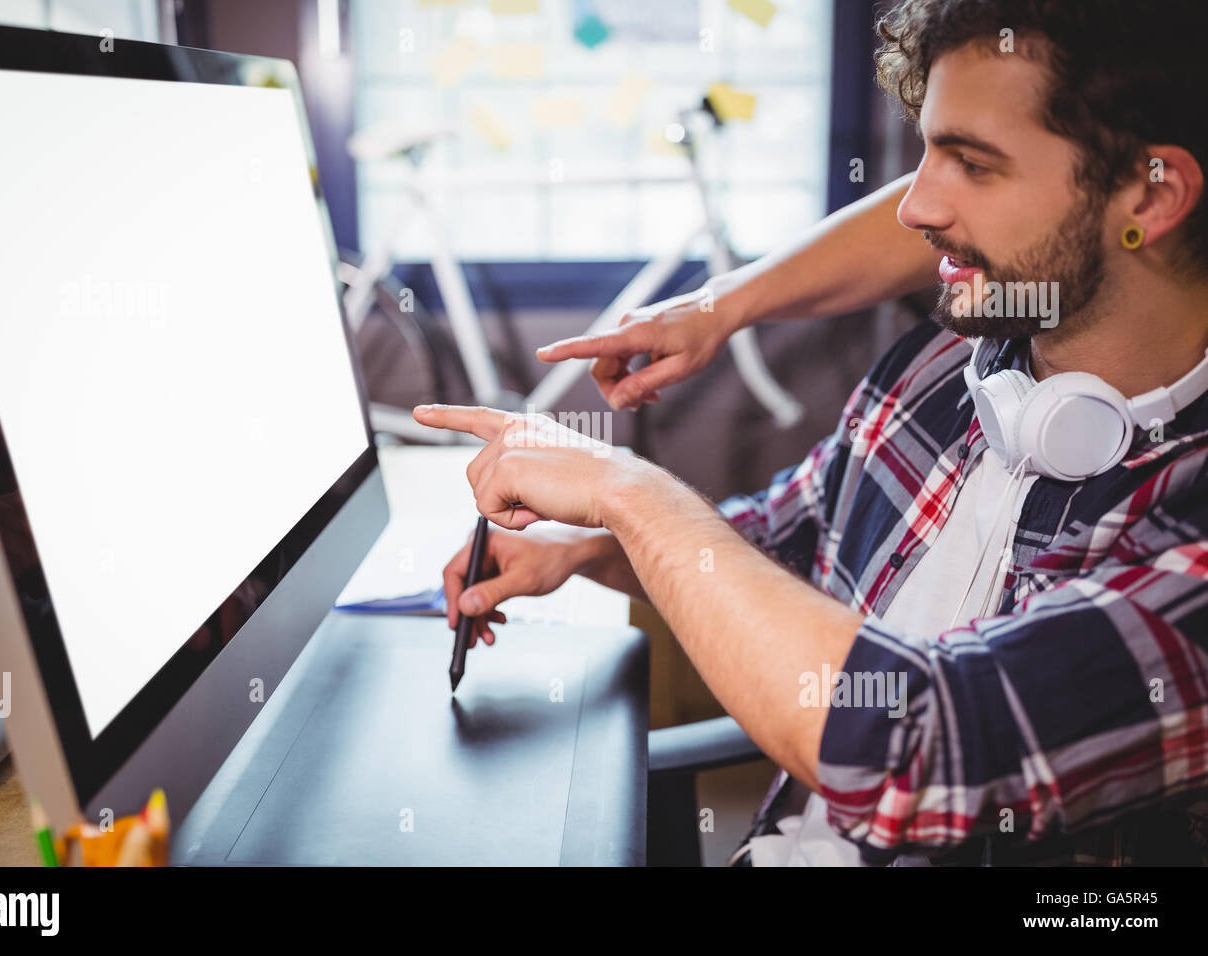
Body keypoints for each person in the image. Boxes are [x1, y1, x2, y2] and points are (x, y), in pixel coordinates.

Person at [416, 0, 1208, 865]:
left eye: (973, 165)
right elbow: (782, 543)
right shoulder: (942, 370)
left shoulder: (1190, 534)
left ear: (1150, 194)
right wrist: (586, 550)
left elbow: (917, 743)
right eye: (926, 150)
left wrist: (627, 490)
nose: (916, 209)